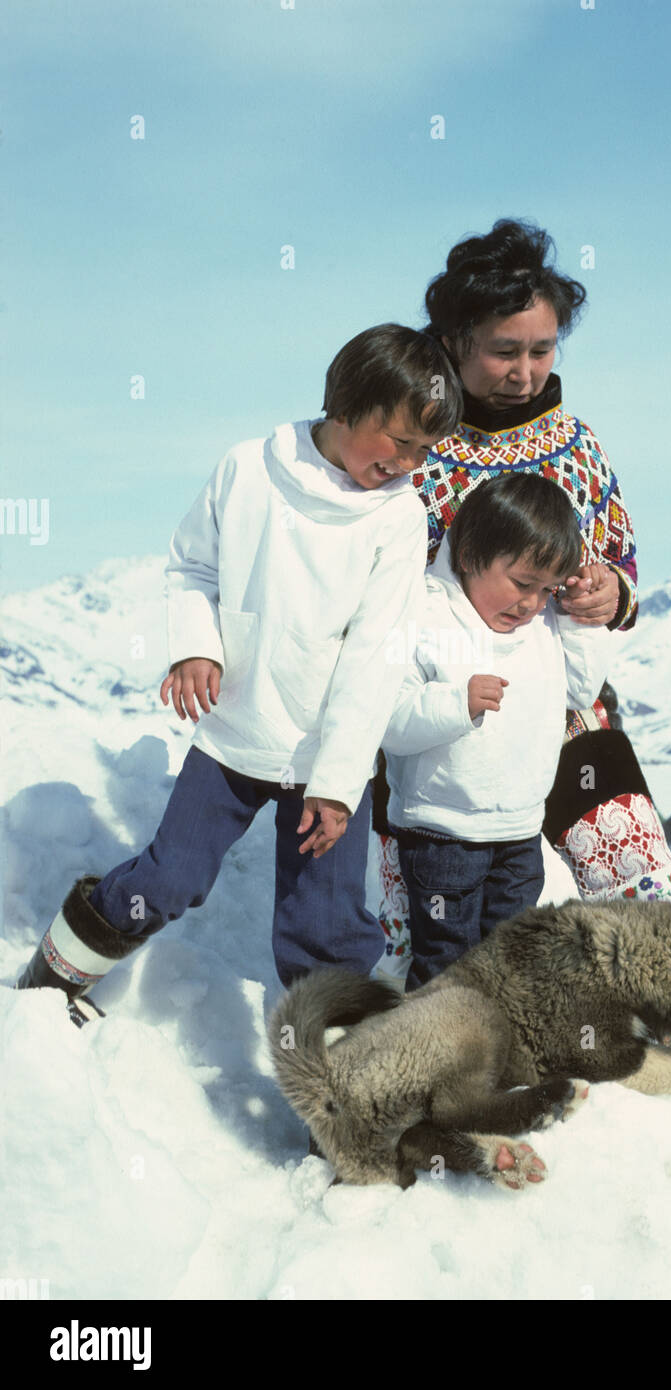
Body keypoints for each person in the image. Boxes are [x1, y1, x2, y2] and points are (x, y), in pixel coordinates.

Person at [16, 324, 462, 1024]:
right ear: (345, 406)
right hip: (233, 738)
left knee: (325, 926)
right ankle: (51, 982)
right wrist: (198, 647)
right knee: (169, 877)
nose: (408, 462)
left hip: (327, 758)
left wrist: (339, 785)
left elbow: (378, 653)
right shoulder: (249, 469)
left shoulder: (399, 519)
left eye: (424, 451)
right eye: (398, 441)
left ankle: (344, 1100)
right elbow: (193, 565)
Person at [375, 220, 671, 976]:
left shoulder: (577, 446)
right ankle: (428, 1060)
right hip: (437, 702)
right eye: (503, 350)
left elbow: (620, 566)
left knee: (638, 880)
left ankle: (660, 1046)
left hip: (562, 698)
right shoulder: (410, 444)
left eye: (540, 350)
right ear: (453, 339)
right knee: (422, 930)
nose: (523, 371)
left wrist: (608, 593)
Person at [382, 473, 610, 986]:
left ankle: (496, 1060)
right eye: (522, 583)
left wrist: (576, 619)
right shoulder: (423, 613)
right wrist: (455, 705)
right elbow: (390, 720)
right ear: (468, 556)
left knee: (509, 968)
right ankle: (435, 1059)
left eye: (546, 588)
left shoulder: (545, 623)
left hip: (520, 835)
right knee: (448, 963)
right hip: (442, 835)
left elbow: (580, 688)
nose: (532, 603)